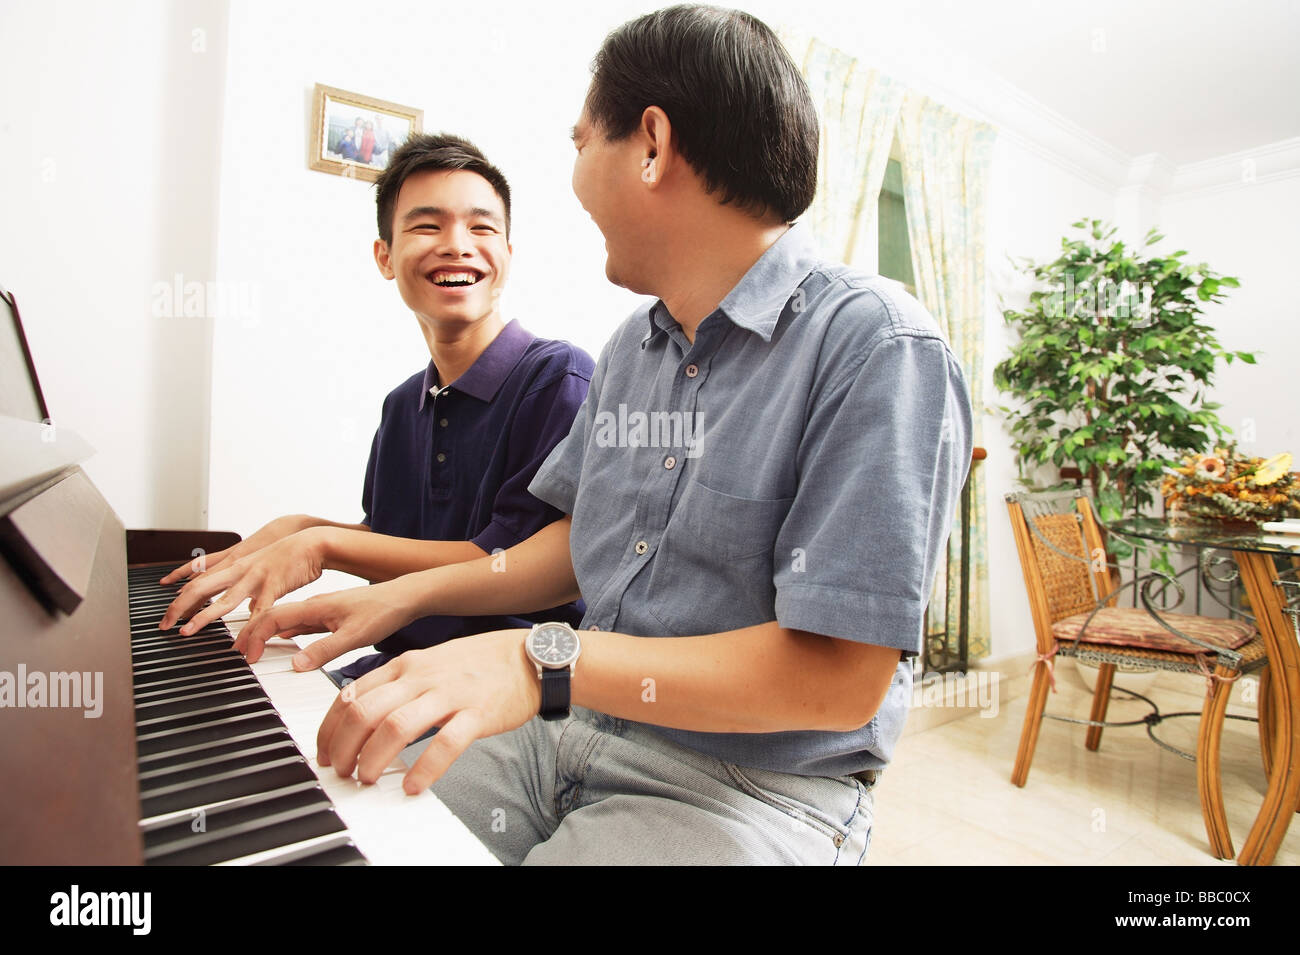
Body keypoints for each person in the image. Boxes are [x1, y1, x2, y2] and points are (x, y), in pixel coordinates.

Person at [235, 5, 972, 865]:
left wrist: (537, 657)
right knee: (329, 828)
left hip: (747, 784)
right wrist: (408, 595)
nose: (575, 177)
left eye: (581, 142)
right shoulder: (635, 346)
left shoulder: (877, 346)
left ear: (651, 144)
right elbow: (577, 549)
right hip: (570, 728)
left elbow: (837, 677)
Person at [159, 134, 592, 683]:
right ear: (384, 257)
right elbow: (391, 539)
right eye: (427, 226)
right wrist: (300, 528)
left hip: (507, 684)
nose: (457, 245)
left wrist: (323, 545)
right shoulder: (402, 404)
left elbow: (508, 559)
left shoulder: (557, 377)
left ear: (508, 254)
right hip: (394, 666)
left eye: (481, 228)